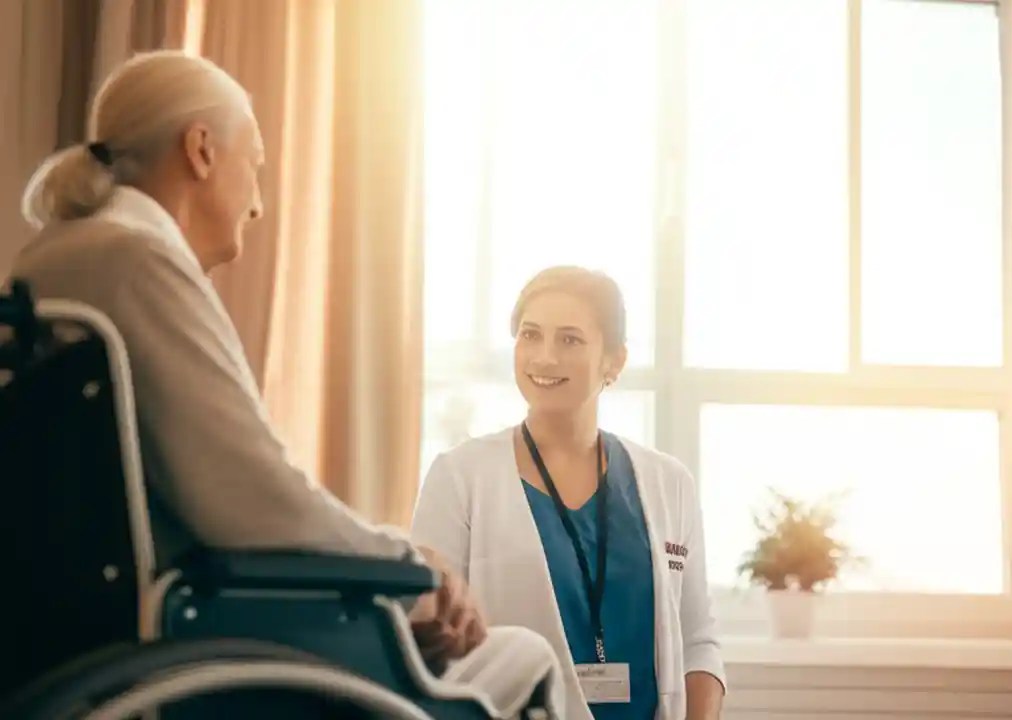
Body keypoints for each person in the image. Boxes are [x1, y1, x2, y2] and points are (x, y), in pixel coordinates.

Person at [11, 50, 561, 718]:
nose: (260, 202)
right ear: (202, 150)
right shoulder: (139, 258)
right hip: (203, 644)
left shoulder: (48, 261)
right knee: (523, 652)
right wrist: (411, 562)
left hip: (84, 649)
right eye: (257, 164)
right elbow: (250, 503)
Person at [411, 266, 726, 720]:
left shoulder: (668, 483)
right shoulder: (460, 477)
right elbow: (432, 634)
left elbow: (698, 641)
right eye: (530, 335)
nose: (544, 357)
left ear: (613, 361)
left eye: (570, 340)